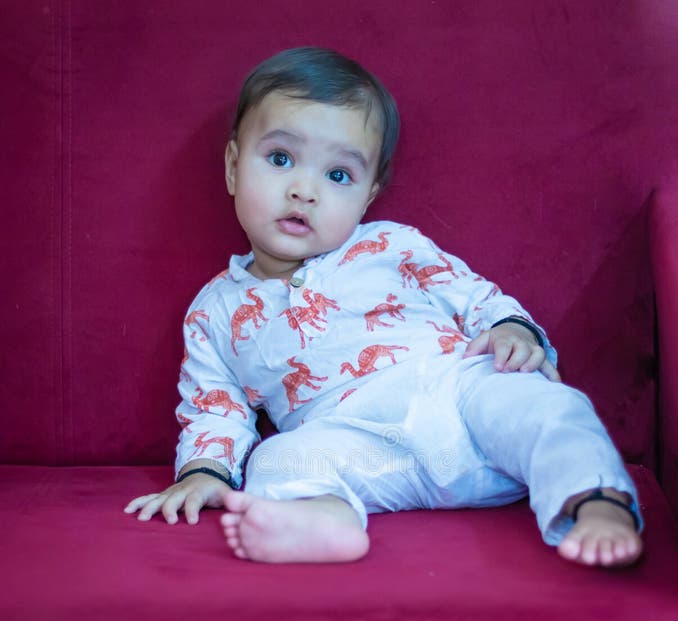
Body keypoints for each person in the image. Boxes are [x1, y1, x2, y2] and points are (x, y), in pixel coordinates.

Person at [124, 46, 643, 567]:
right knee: (275, 460)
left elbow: (474, 295)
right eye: (280, 160)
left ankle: (594, 498)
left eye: (338, 176)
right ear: (235, 167)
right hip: (361, 449)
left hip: (459, 399)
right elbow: (215, 407)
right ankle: (328, 521)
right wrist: (204, 472)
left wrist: (513, 330)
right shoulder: (215, 311)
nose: (304, 191)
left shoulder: (392, 246)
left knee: (545, 403)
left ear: (368, 196)